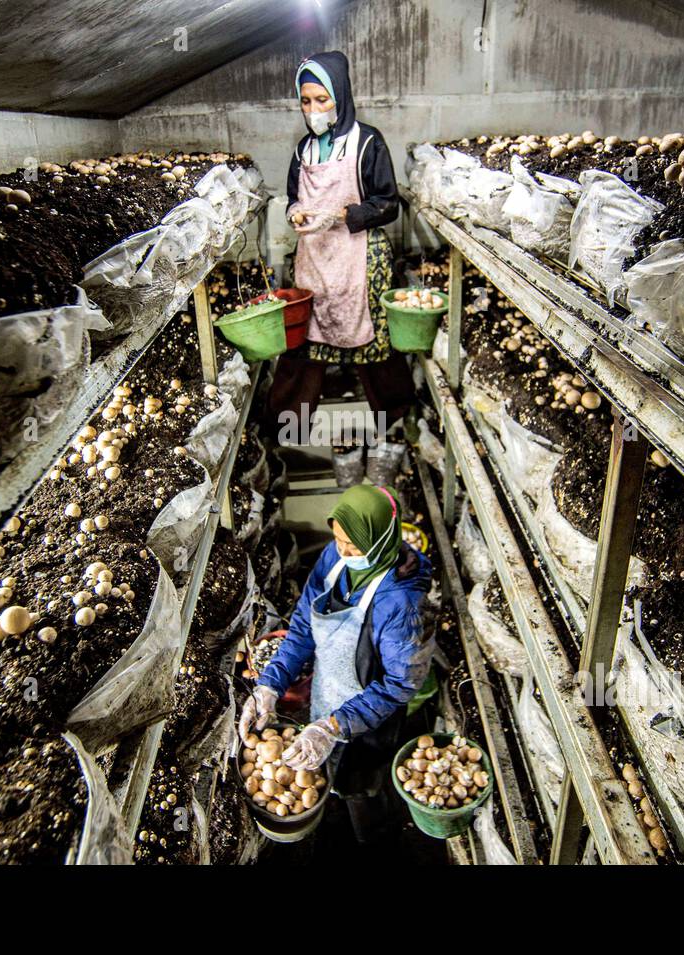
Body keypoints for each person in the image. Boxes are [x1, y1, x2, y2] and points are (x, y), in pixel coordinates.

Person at [239, 484, 433, 841]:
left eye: (353, 544)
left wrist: (335, 726)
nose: (343, 550)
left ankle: (374, 837)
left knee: (361, 783)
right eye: (338, 538)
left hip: (369, 718)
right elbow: (302, 627)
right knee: (326, 774)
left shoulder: (402, 604)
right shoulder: (335, 558)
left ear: (381, 540)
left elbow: (400, 684)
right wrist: (270, 684)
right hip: (329, 689)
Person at [264, 50, 416, 441]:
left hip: (359, 256)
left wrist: (345, 216)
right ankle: (288, 430)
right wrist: (297, 212)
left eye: (322, 99)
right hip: (314, 256)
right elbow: (292, 196)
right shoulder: (304, 149)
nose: (313, 109)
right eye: (305, 100)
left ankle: (395, 423)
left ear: (341, 97)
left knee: (374, 344)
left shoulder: (367, 142)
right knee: (304, 341)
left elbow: (388, 203)